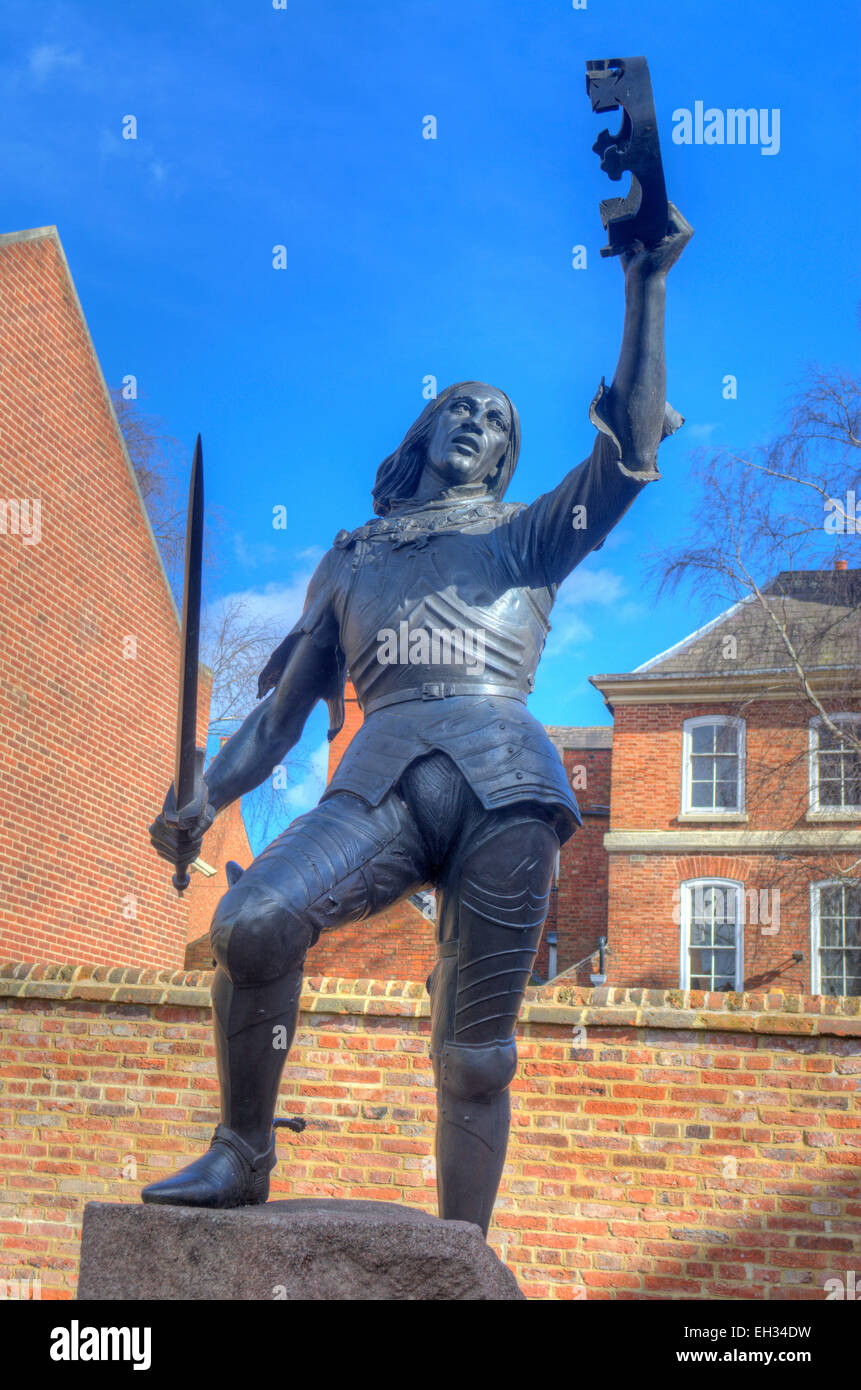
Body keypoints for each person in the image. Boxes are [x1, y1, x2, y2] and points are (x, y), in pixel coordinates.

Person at [143, 207, 692, 1232]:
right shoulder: (354, 555)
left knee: (476, 1051)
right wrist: (202, 794)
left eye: (502, 421)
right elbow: (280, 718)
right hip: (379, 777)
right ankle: (241, 1151)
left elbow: (624, 460)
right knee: (253, 921)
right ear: (429, 431)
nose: (481, 422)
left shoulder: (528, 537)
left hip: (508, 784)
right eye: (464, 407)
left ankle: (464, 1256)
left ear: (506, 460)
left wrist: (644, 284)